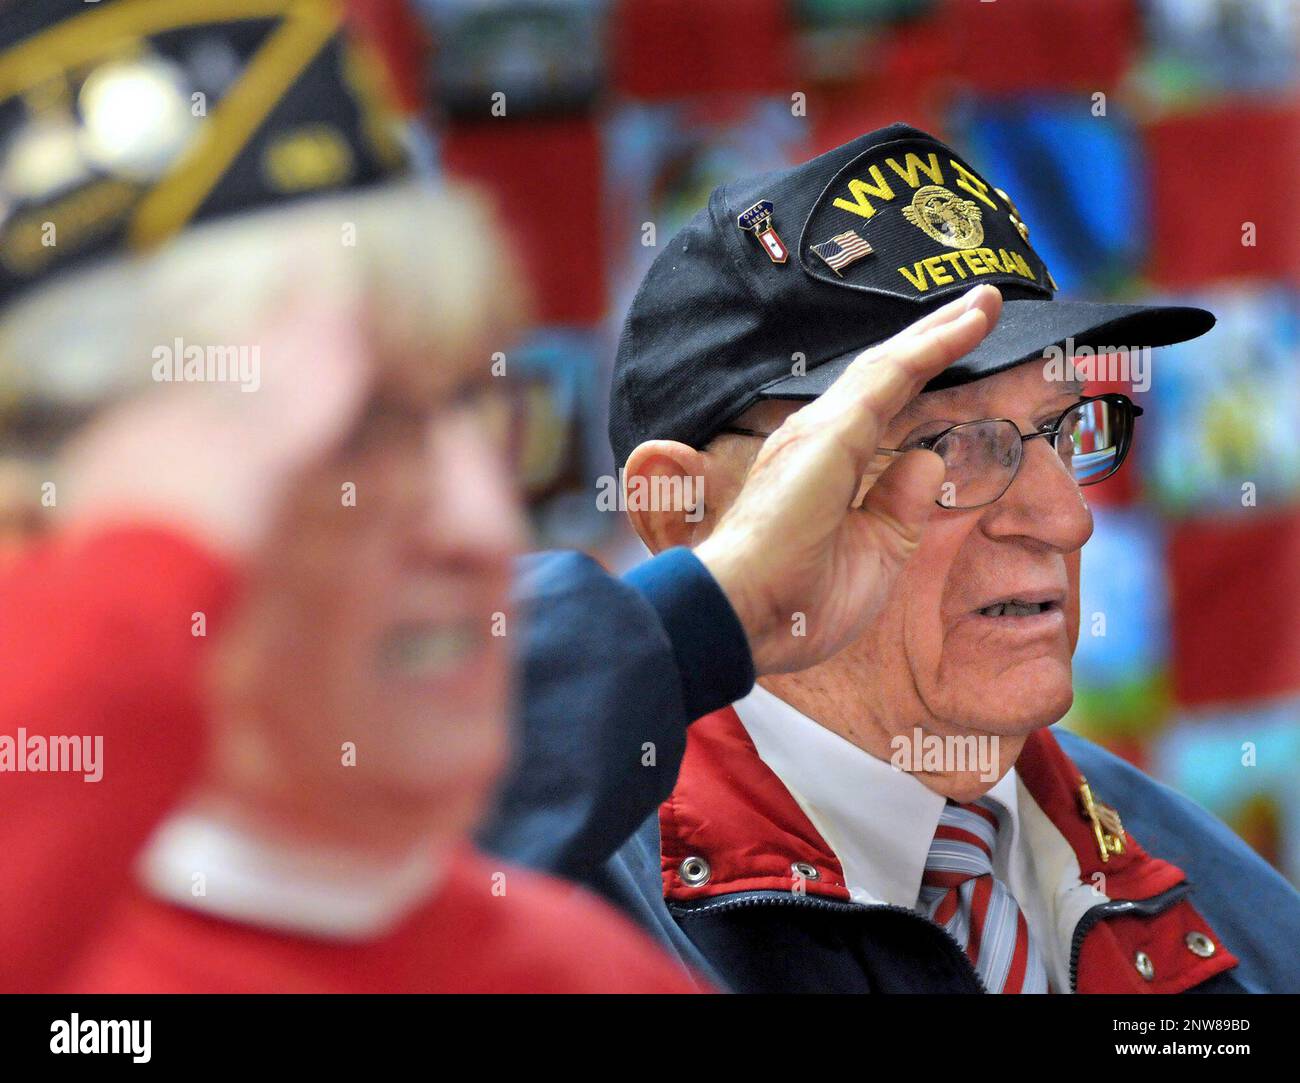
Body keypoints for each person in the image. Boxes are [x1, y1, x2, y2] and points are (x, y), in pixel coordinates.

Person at [480, 123, 1300, 993]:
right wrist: (714, 606)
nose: (1065, 517)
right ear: (683, 512)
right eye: (943, 444)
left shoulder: (1213, 892)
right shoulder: (556, 889)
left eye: (1064, 427)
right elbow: (332, 802)